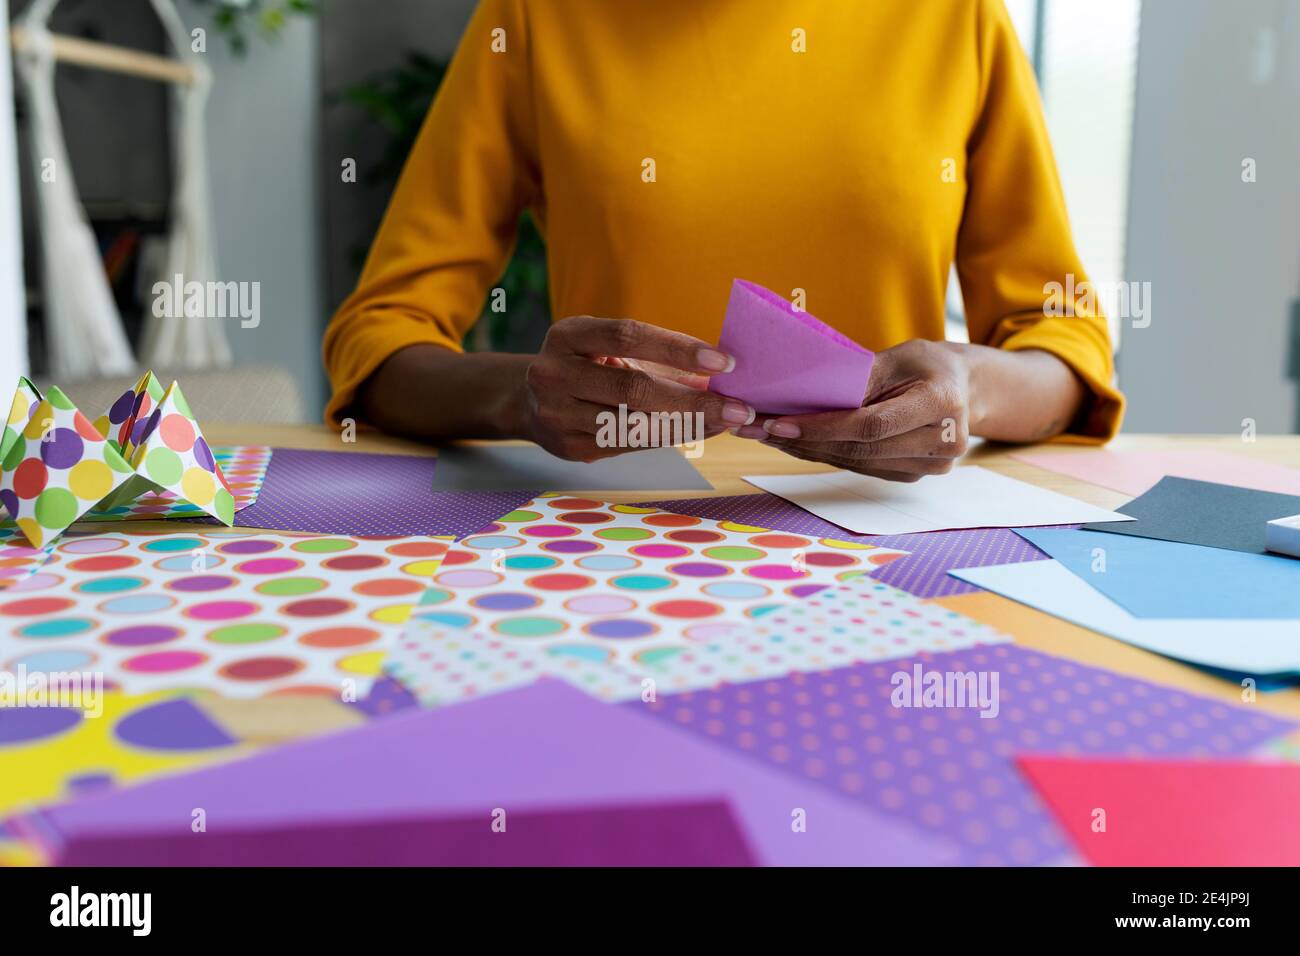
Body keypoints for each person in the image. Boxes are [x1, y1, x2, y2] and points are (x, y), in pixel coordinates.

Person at [324, 0, 1124, 482]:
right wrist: (522, 397)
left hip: (887, 532)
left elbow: (1066, 348)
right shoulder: (537, 17)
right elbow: (380, 340)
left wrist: (969, 390)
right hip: (610, 537)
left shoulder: (957, 17)